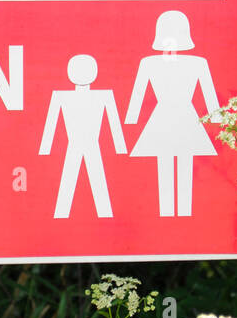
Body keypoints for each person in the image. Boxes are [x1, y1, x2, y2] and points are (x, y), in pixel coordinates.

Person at [125, 11, 219, 217]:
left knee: (175, 163)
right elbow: (138, 95)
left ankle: (178, 214)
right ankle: (170, 214)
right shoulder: (151, 63)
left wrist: (131, 119)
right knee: (169, 163)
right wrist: (130, 119)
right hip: (175, 117)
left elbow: (209, 95)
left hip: (175, 117)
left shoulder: (195, 63)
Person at [38, 54, 127, 218]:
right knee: (75, 180)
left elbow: (114, 121)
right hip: (78, 144)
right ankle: (67, 215)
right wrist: (45, 148)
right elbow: (51, 122)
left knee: (88, 180)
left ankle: (98, 215)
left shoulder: (101, 95)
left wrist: (121, 147)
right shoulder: (61, 96)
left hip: (89, 143)